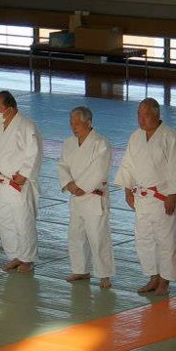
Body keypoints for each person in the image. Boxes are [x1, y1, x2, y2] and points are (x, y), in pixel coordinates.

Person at [116, 97, 176, 297]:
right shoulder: (135, 137)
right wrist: (127, 189)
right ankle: (153, 277)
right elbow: (128, 165)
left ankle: (165, 281)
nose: (141, 119)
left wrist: (173, 194)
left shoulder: (171, 137)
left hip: (163, 196)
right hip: (142, 197)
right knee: (144, 239)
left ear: (157, 115)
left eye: (146, 115)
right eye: (139, 115)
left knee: (166, 240)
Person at [0, 91, 42, 273]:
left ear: (11, 109)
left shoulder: (27, 126)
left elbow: (34, 153)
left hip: (17, 182)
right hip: (0, 182)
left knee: (23, 221)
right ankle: (15, 255)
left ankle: (27, 259)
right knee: (4, 221)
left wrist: (24, 174)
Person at [57, 105, 114, 289]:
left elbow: (99, 170)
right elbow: (62, 166)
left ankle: (104, 274)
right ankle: (80, 270)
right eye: (71, 123)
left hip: (93, 197)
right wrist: (69, 184)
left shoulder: (101, 143)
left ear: (89, 123)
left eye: (77, 123)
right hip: (76, 196)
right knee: (76, 235)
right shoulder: (69, 143)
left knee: (98, 237)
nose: (73, 127)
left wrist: (81, 186)